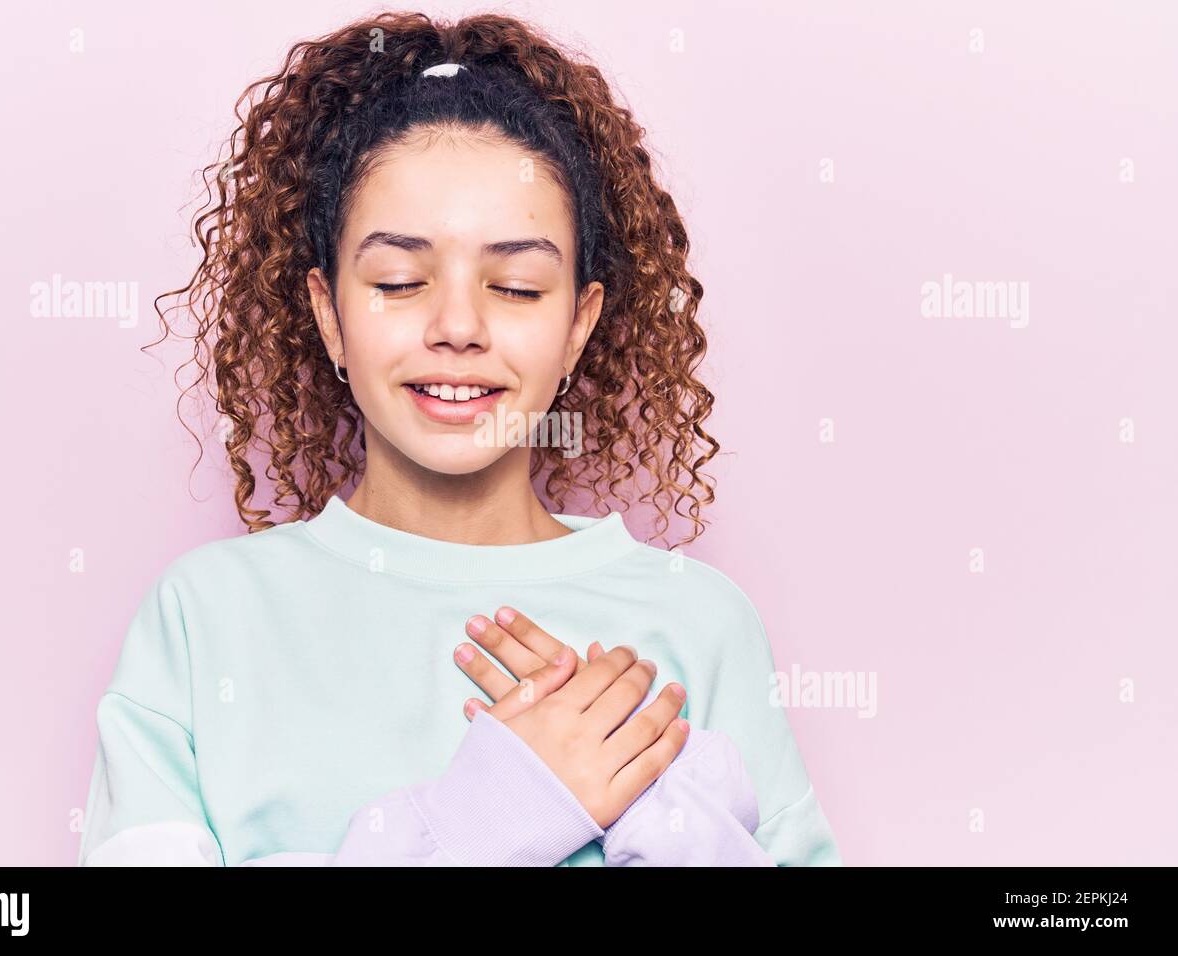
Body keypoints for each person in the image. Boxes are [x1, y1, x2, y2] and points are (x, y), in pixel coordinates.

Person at [77, 10, 842, 867]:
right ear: (329, 314)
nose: (457, 326)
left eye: (516, 287)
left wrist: (670, 819)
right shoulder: (205, 620)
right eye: (399, 280)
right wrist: (480, 823)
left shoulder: (701, 623)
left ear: (579, 325)